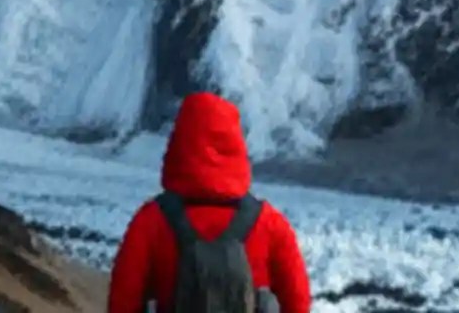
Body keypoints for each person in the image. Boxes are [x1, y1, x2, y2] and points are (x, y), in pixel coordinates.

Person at [107, 92, 311, 313]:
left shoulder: (151, 221)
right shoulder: (270, 224)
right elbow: (298, 303)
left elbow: (122, 303)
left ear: (178, 143)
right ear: (236, 145)